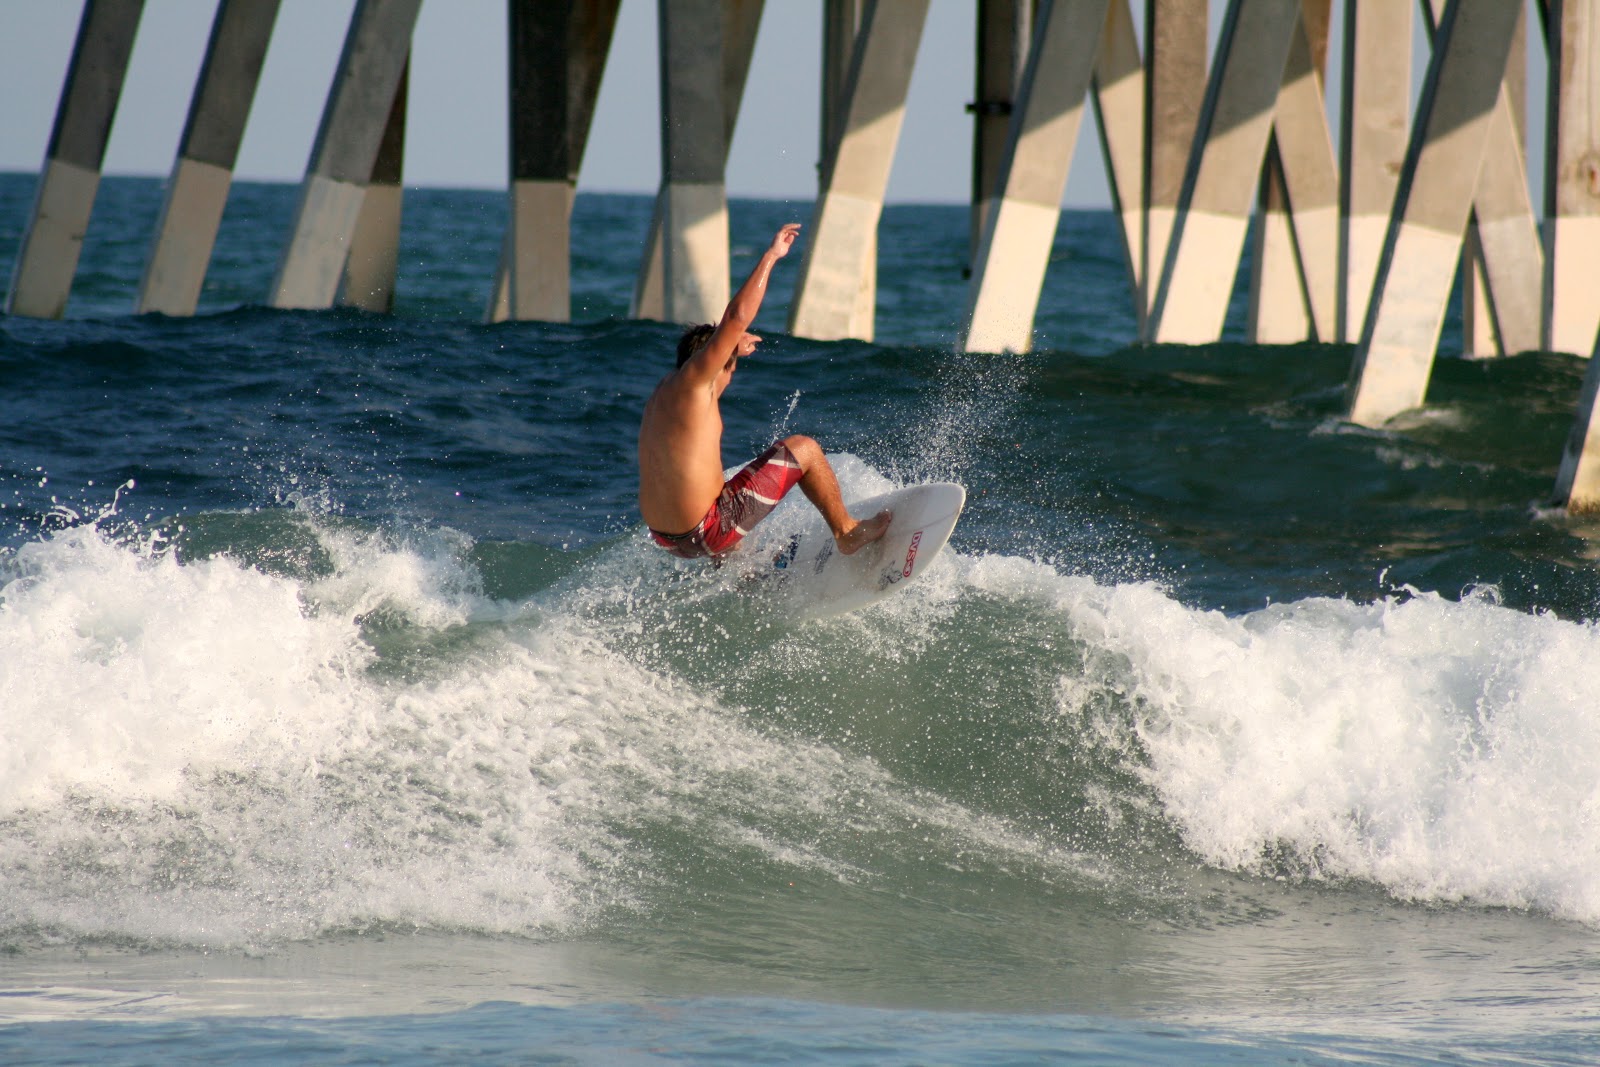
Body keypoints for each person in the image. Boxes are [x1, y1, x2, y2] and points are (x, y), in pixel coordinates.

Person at [638, 222, 891, 560]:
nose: (730, 379)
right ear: (714, 365)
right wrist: (772, 255)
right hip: (706, 530)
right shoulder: (697, 381)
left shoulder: (665, 392)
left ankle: (743, 576)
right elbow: (737, 316)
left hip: (667, 538)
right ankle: (847, 531)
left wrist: (731, 347)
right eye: (731, 369)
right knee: (805, 449)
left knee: (720, 486)